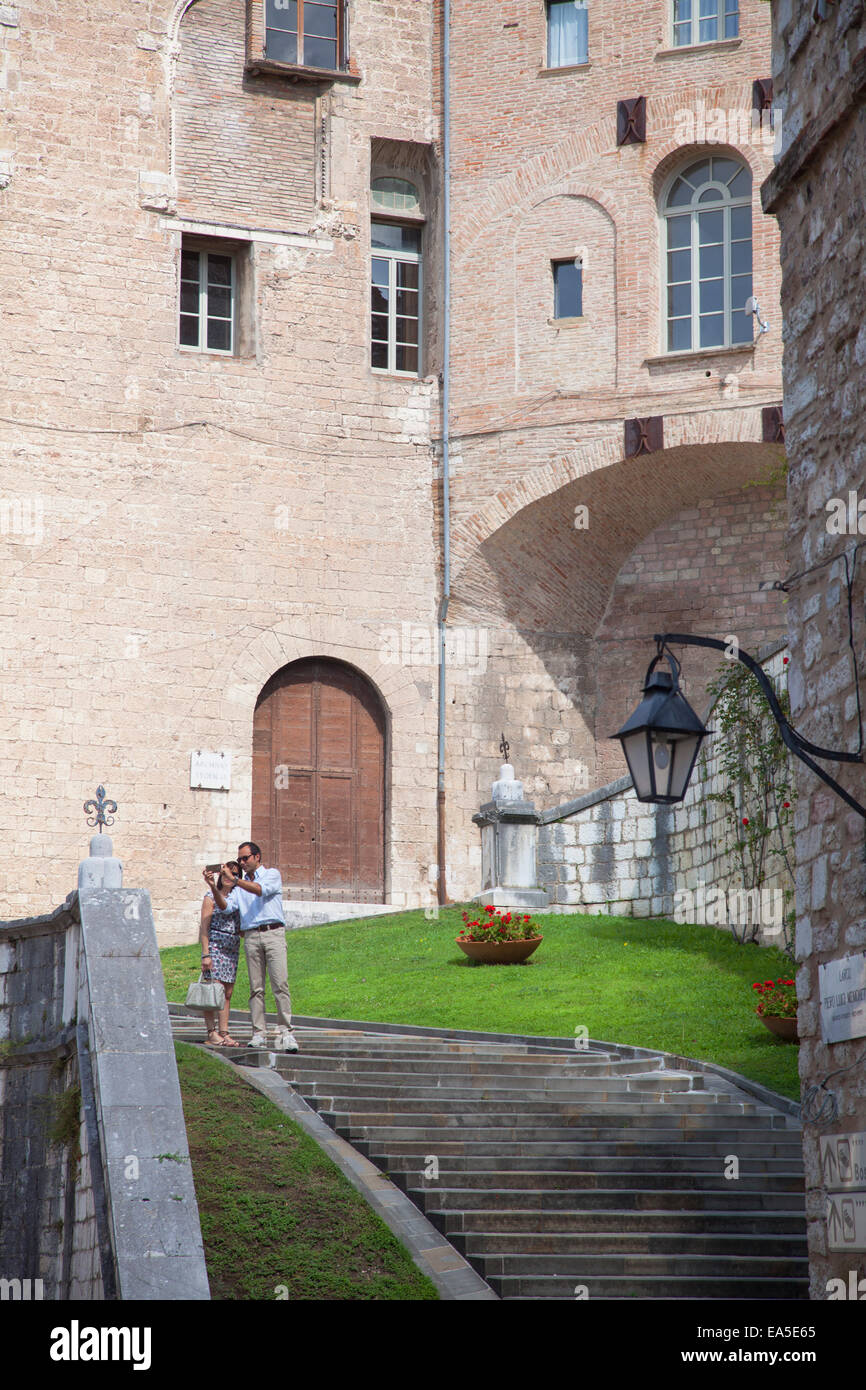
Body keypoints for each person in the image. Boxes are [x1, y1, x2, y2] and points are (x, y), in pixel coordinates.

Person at [211, 842, 298, 1053]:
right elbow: (227, 907)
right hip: (251, 936)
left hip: (273, 933)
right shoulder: (239, 886)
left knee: (280, 984)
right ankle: (258, 1033)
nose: (242, 862)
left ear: (257, 857)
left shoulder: (271, 875)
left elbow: (260, 890)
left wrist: (235, 880)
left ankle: (286, 1033)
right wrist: (213, 886)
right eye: (239, 859)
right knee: (256, 988)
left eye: (245, 858)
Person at [199, 861, 242, 1047]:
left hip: (232, 948)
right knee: (213, 990)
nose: (228, 877)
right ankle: (212, 1031)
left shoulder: (239, 897)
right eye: (225, 873)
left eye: (233, 873)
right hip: (216, 946)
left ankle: (224, 1032)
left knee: (227, 992)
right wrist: (205, 954)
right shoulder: (210, 897)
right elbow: (204, 927)